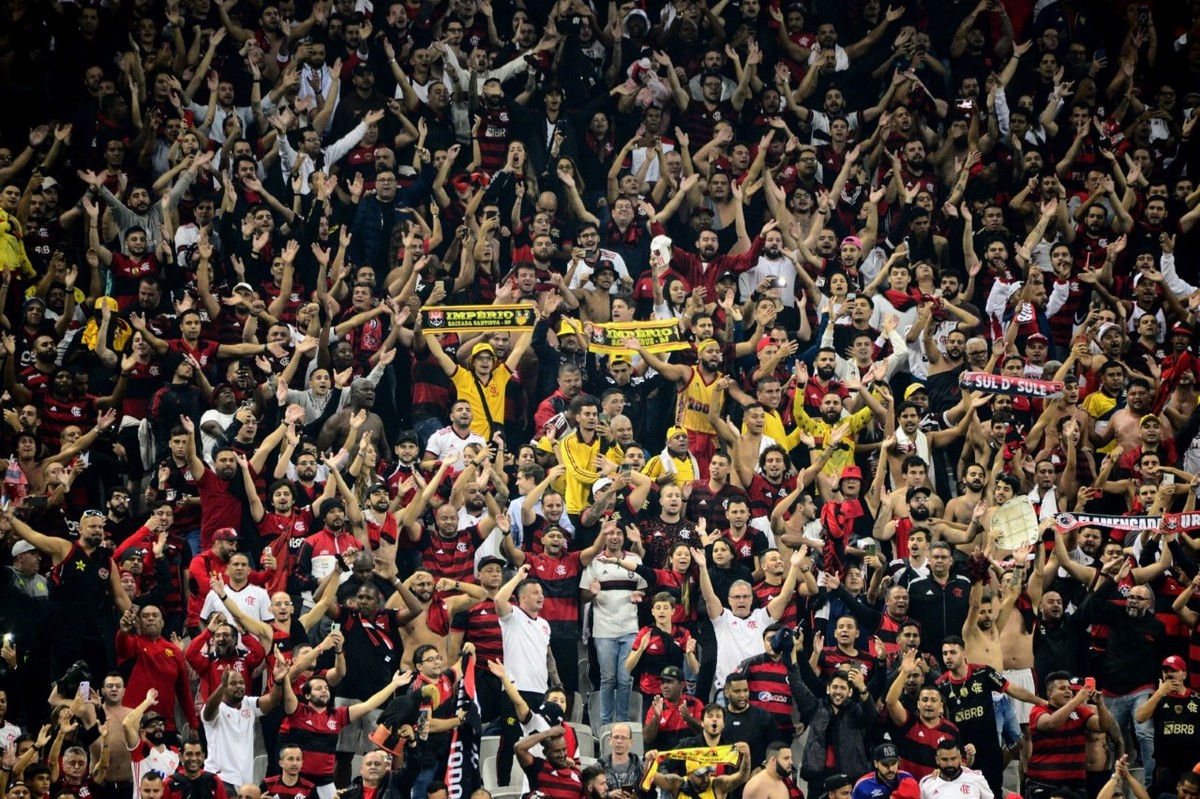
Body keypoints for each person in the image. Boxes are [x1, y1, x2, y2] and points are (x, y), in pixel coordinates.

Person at [918, 740, 992, 799]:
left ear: (960, 758)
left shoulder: (976, 778)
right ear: (937, 760)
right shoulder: (927, 784)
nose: (949, 764)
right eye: (944, 759)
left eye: (953, 759)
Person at [851, 744, 920, 799]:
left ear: (898, 762)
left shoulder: (907, 777)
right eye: (885, 765)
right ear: (876, 763)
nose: (891, 769)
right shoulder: (862, 785)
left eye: (893, 764)